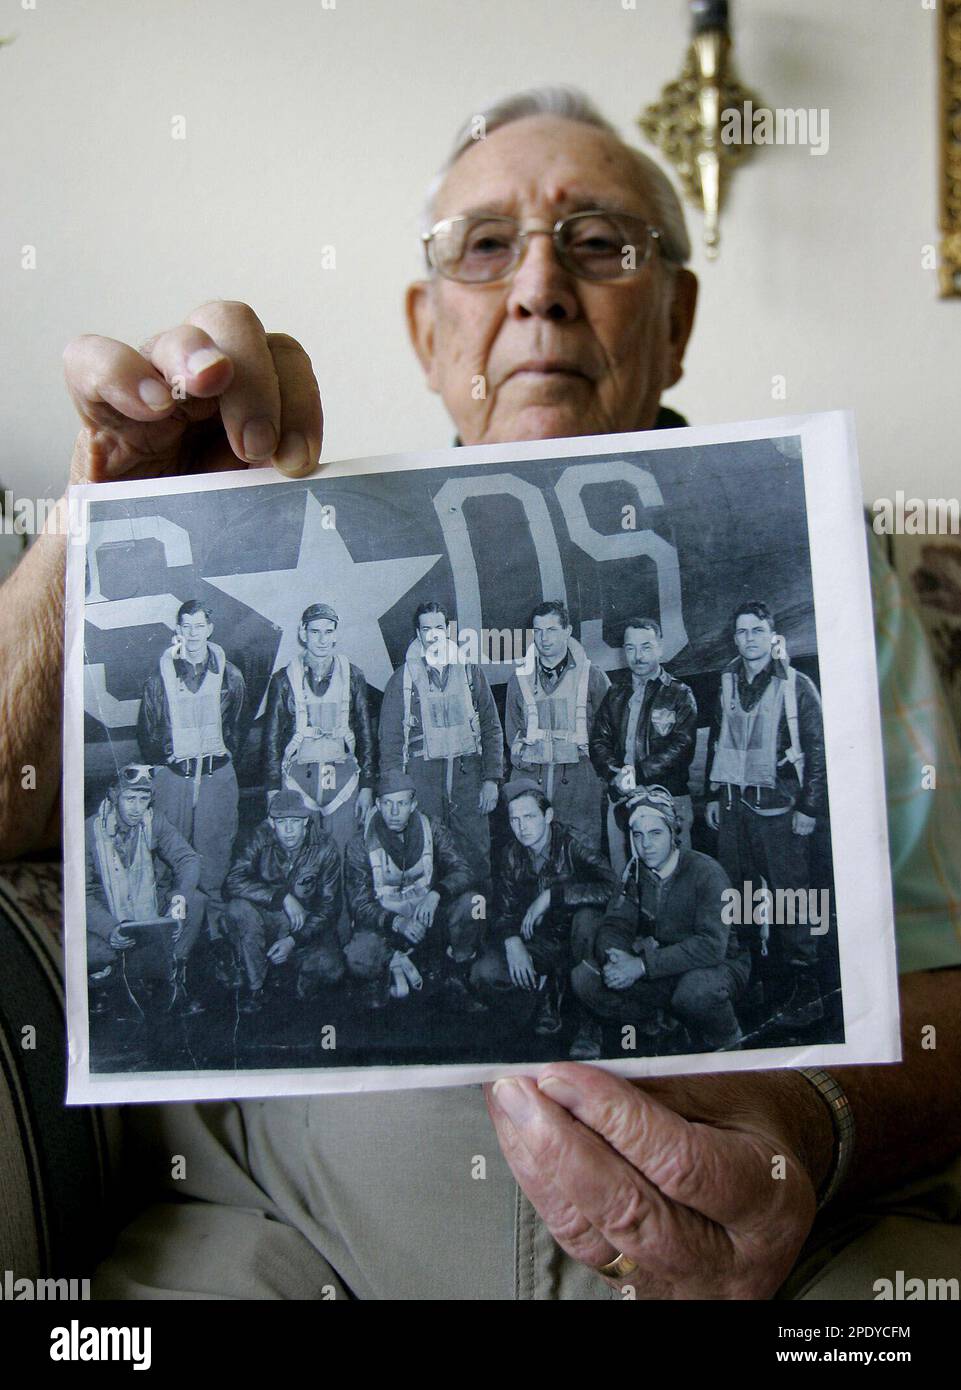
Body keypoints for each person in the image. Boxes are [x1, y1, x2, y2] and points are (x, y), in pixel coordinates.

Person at [4, 86, 961, 1300]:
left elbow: (946, 993)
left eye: (600, 243)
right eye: (486, 246)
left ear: (677, 323)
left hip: (774, 1252)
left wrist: (806, 1126)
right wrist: (101, 527)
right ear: (424, 327)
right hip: (304, 1238)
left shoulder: (824, 572)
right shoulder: (269, 547)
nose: (538, 287)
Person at [704, 601, 827, 1026]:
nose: (749, 639)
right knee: (738, 896)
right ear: (734, 637)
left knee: (790, 896)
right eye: (741, 632)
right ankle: (751, 976)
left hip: (779, 808)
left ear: (772, 635)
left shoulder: (797, 685)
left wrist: (809, 807)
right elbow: (718, 742)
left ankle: (804, 985)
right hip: (735, 806)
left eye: (757, 630)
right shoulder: (725, 683)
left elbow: (816, 752)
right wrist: (710, 796)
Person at [572, 785, 750, 1055]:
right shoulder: (635, 871)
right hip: (661, 961)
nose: (646, 844)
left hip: (717, 965)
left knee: (695, 992)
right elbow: (616, 924)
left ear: (673, 833)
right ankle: (658, 1023)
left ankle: (726, 1037)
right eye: (638, 835)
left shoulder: (707, 873)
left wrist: (642, 966)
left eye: (655, 833)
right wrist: (616, 957)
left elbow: (712, 946)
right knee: (585, 978)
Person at [471, 778, 616, 1048]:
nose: (522, 827)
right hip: (540, 942)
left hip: (577, 940)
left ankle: (589, 1019)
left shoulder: (574, 843)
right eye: (514, 819)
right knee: (484, 973)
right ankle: (543, 994)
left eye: (529, 816)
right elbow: (502, 909)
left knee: (588, 920)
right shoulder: (511, 853)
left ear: (548, 815)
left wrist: (555, 896)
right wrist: (512, 941)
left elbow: (614, 888)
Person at [378, 600, 503, 891]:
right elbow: (391, 742)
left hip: (467, 776)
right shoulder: (403, 680)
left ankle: (478, 925)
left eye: (438, 627)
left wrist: (492, 779)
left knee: (476, 853)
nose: (433, 635)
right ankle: (435, 929)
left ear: (448, 630)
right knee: (426, 854)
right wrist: (396, 793)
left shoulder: (470, 673)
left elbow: (491, 727)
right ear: (417, 634)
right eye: (426, 629)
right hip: (423, 779)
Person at [343, 770, 481, 1009]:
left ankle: (455, 972)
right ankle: (389, 966)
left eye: (402, 803)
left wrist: (437, 893)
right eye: (387, 804)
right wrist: (396, 922)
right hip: (385, 923)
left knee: (474, 903)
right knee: (358, 957)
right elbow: (358, 903)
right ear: (377, 803)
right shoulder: (360, 842)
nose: (394, 812)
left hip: (426, 917)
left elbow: (463, 870)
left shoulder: (432, 828)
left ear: (413, 804)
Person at [136, 599, 246, 896]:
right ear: (178, 629)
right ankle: (169, 917)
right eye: (187, 626)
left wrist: (219, 763)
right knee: (168, 850)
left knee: (216, 847)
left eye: (200, 626)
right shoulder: (160, 677)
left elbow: (237, 728)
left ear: (210, 629)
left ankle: (212, 917)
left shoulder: (231, 676)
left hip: (216, 774)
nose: (194, 633)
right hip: (175, 776)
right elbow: (148, 730)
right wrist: (168, 764)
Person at [85, 764, 204, 1019]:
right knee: (93, 951)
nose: (137, 808)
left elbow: (188, 859)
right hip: (108, 917)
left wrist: (180, 897)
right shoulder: (88, 831)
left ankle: (172, 973)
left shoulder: (154, 821)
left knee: (196, 901)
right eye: (130, 798)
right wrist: (109, 928)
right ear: (114, 795)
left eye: (144, 798)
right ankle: (101, 984)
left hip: (146, 910)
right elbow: (79, 894)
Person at [262, 602, 376, 857]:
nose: (322, 639)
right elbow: (271, 740)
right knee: (302, 856)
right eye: (315, 632)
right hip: (298, 778)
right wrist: (272, 789)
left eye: (328, 631)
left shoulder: (353, 676)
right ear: (303, 633)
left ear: (336, 634)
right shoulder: (283, 680)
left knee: (346, 852)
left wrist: (367, 785)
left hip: (343, 778)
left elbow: (366, 733)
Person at [589, 616, 697, 878]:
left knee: (673, 879)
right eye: (630, 648)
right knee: (624, 878)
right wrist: (617, 775)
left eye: (646, 647)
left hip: (668, 797)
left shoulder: (679, 694)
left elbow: (682, 746)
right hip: (623, 799)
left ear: (660, 647)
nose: (638, 656)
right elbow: (598, 741)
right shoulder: (616, 692)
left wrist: (635, 775)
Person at [222, 788, 344, 1012]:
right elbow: (233, 881)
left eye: (295, 821)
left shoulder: (325, 846)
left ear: (306, 821)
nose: (288, 830)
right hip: (268, 917)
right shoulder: (259, 836)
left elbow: (329, 907)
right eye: (281, 822)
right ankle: (255, 985)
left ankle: (284, 970)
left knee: (331, 970)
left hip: (305, 924)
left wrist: (294, 940)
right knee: (237, 909)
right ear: (271, 822)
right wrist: (280, 897)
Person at [504, 601, 610, 849]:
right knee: (532, 854)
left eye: (551, 629)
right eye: (538, 631)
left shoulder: (592, 677)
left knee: (580, 853)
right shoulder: (518, 680)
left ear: (568, 631)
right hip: (533, 780)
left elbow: (610, 735)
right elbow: (513, 735)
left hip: (579, 782)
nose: (544, 638)